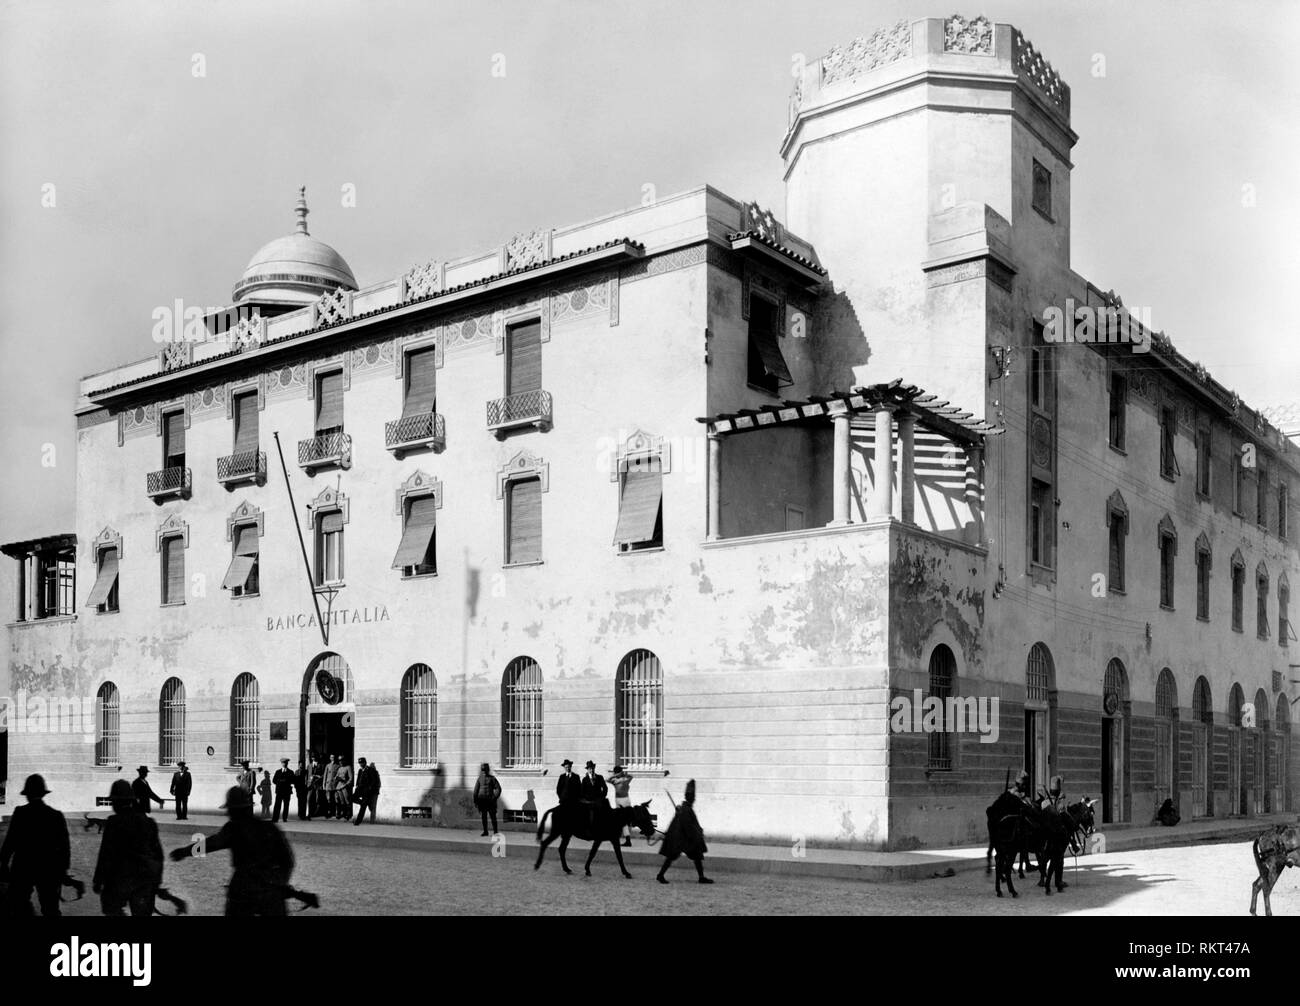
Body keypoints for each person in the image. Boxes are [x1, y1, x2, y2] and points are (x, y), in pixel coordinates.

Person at [169, 786, 296, 916]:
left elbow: (211, 844)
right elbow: (288, 860)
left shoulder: (234, 828)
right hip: (272, 891)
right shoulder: (270, 828)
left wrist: (184, 852)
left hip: (243, 889)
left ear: (235, 810)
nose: (229, 814)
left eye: (230, 810)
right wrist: (280, 882)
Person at [0, 774, 70, 917]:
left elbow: (10, 842)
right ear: (43, 794)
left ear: (27, 794)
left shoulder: (20, 813)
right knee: (50, 908)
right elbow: (64, 847)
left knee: (17, 904)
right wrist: (63, 871)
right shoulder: (56, 815)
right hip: (48, 868)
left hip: (23, 866)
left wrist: (4, 863)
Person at [93, 778, 163, 916]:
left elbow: (105, 854)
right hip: (144, 881)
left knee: (111, 909)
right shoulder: (149, 822)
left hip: (119, 882)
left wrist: (98, 880)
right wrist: (156, 882)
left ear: (117, 802)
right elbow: (158, 855)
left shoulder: (113, 823)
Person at [656, 779, 712, 885]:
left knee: (697, 856)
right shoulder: (685, 809)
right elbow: (688, 826)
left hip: (684, 838)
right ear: (688, 797)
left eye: (693, 797)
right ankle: (660, 875)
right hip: (683, 839)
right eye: (692, 797)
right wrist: (696, 835)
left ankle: (701, 877)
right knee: (672, 857)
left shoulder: (684, 808)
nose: (693, 799)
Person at [608, 765, 634, 846]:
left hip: (621, 800)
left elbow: (607, 780)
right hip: (625, 799)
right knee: (625, 820)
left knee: (623, 821)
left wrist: (616, 775)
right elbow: (631, 776)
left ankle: (627, 839)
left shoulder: (616, 780)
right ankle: (627, 839)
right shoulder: (624, 779)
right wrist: (622, 774)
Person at [473, 762, 501, 836]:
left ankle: (495, 832)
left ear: (488, 770)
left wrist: (494, 797)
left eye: (485, 770)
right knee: (484, 817)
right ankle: (485, 831)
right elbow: (476, 791)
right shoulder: (479, 779)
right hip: (482, 801)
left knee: (493, 817)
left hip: (490, 801)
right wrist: (476, 801)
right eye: (483, 770)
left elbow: (498, 788)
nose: (484, 771)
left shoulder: (492, 778)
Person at [581, 760, 608, 832]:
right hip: (589, 801)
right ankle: (589, 830)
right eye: (590, 768)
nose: (591, 770)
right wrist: (586, 799)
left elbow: (605, 788)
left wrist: (602, 797)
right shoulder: (584, 779)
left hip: (598, 800)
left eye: (592, 768)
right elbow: (582, 791)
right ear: (587, 769)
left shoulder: (599, 777)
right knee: (589, 815)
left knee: (602, 814)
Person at [353, 758, 381, 826]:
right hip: (360, 790)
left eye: (362, 763)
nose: (361, 764)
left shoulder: (370, 770)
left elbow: (374, 781)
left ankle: (358, 821)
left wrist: (369, 789)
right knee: (351, 798)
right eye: (360, 763)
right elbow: (358, 780)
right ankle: (365, 803)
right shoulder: (360, 770)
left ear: (365, 763)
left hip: (367, 791)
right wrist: (356, 787)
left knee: (363, 807)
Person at [272, 759, 295, 823]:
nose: (284, 764)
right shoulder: (278, 772)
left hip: (287, 791)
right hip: (279, 791)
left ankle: (285, 818)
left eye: (285, 763)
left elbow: (293, 780)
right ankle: (275, 818)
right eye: (283, 763)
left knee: (286, 805)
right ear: (281, 764)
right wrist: (280, 781)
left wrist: (286, 781)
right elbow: (274, 780)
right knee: (277, 805)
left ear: (287, 764)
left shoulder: (291, 772)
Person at [322, 755, 339, 820]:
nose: (333, 758)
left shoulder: (338, 766)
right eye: (331, 757)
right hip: (328, 784)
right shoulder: (328, 765)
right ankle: (329, 812)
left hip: (335, 785)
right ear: (330, 758)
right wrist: (324, 784)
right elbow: (325, 775)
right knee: (328, 799)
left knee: (336, 799)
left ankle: (336, 812)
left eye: (334, 757)